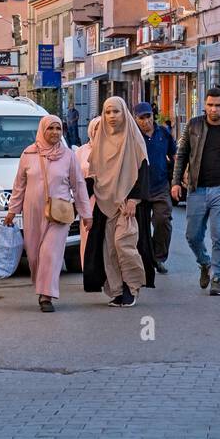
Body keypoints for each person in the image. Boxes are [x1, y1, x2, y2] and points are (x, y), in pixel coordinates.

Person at [3, 115, 92, 313]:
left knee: (50, 254)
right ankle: (42, 284)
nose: (54, 133)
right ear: (43, 130)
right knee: (34, 254)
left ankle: (46, 296)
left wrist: (86, 214)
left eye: (58, 129)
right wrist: (12, 210)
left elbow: (78, 185)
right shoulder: (29, 154)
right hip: (32, 212)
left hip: (59, 213)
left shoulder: (68, 156)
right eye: (50, 128)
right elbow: (19, 186)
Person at [172, 86, 220, 297]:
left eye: (218, 105)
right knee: (192, 236)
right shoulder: (193, 125)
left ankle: (218, 277)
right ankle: (205, 263)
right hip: (197, 189)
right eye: (210, 105)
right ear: (204, 106)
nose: (213, 110)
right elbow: (182, 155)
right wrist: (176, 182)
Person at [83, 97, 153, 307]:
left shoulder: (134, 138)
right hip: (105, 205)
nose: (112, 116)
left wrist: (134, 198)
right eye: (107, 112)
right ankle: (116, 290)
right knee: (109, 250)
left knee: (125, 245)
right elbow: (93, 175)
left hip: (128, 205)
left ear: (125, 114)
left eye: (116, 112)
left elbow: (143, 170)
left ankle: (132, 288)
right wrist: (79, 201)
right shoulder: (100, 141)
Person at [133, 101, 177, 273]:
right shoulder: (133, 136)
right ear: (135, 119)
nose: (145, 121)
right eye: (141, 118)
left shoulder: (163, 133)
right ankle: (143, 258)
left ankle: (158, 257)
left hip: (160, 186)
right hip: (139, 188)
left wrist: (178, 178)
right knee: (139, 227)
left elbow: (174, 154)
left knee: (162, 221)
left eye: (148, 116)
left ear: (153, 115)